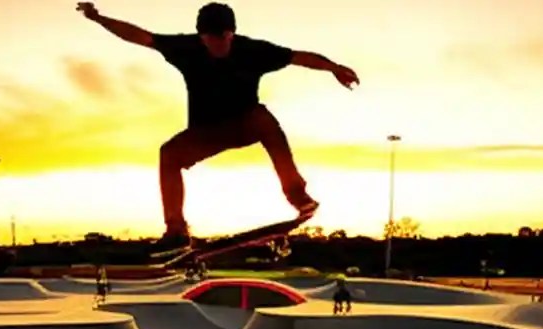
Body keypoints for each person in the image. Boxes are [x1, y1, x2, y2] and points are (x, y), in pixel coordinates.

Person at [77, 2, 359, 252]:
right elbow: (140, 36)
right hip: (206, 132)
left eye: (222, 39)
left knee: (264, 118)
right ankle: (176, 231)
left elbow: (299, 57)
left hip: (245, 124)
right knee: (169, 154)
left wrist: (335, 67)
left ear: (231, 34)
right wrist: (99, 18)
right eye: (210, 40)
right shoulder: (186, 48)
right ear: (202, 36)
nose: (217, 46)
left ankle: (297, 195)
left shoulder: (252, 50)